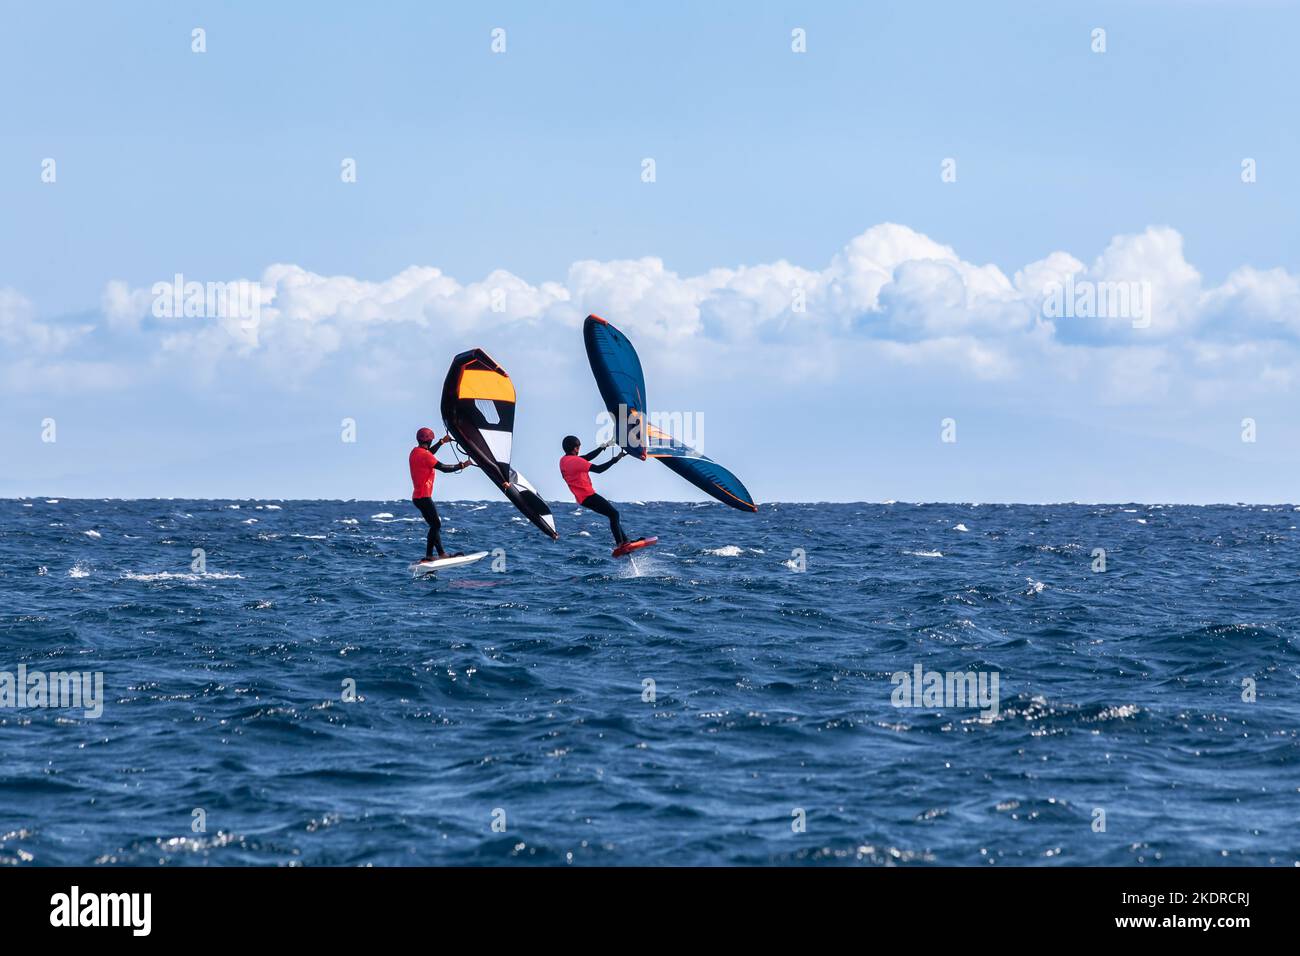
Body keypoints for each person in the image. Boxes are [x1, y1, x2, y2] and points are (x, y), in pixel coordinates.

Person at [409, 427, 473, 562]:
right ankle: (429, 555)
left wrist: (442, 442)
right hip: (424, 497)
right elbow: (444, 468)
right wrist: (462, 465)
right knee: (436, 525)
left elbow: (429, 454)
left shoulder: (415, 452)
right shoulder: (425, 456)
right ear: (429, 440)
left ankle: (441, 553)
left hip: (417, 497)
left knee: (434, 525)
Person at [559, 435, 630, 545]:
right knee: (614, 514)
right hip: (589, 496)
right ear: (575, 448)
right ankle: (621, 544)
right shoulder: (576, 461)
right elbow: (598, 469)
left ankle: (625, 542)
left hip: (582, 499)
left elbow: (587, 457)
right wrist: (615, 460)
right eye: (578, 447)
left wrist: (603, 447)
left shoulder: (564, 461)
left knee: (612, 515)